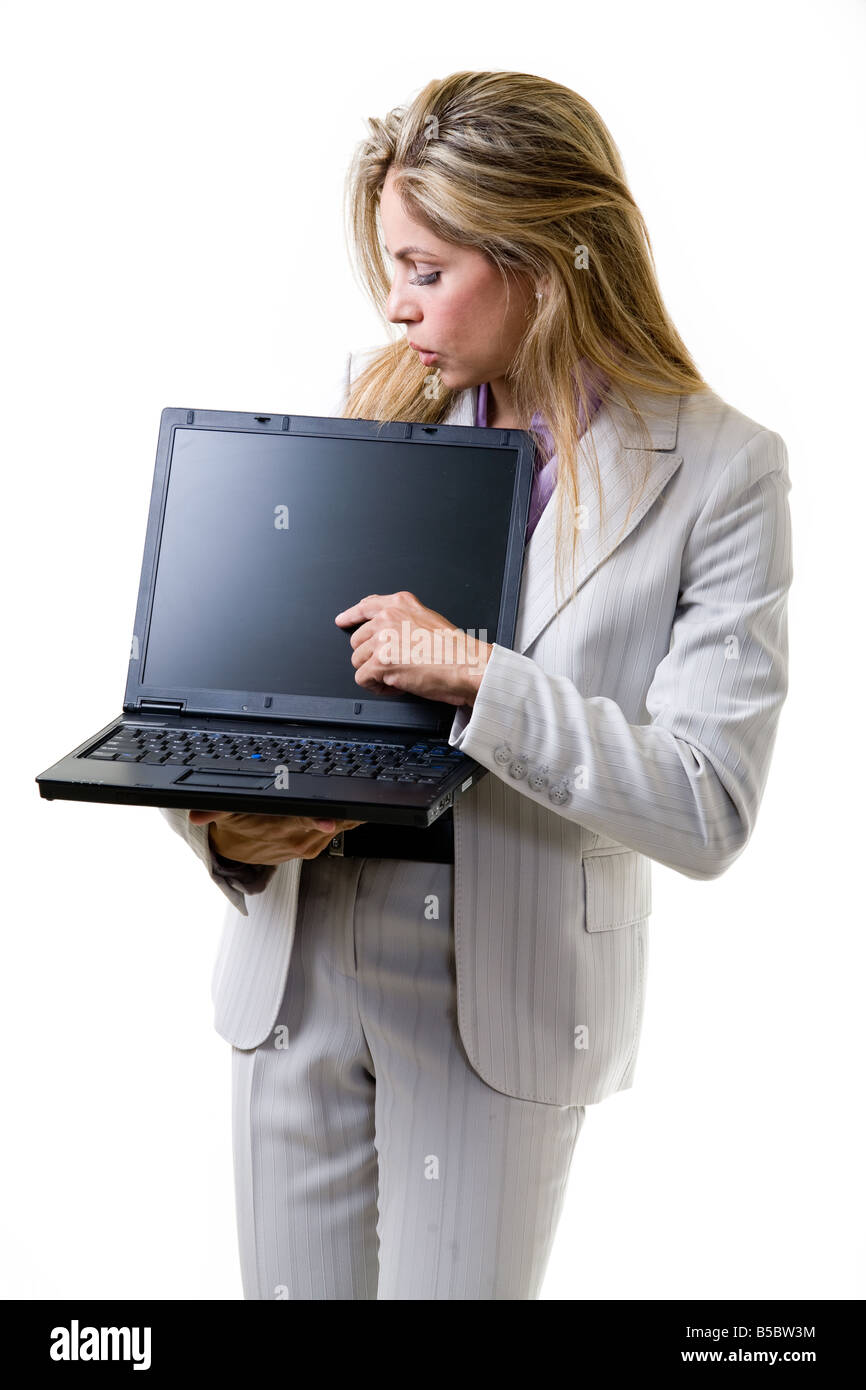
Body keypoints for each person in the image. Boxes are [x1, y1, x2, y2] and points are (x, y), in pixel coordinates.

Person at [160, 70, 793, 1300]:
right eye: (391, 268)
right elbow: (292, 690)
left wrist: (478, 676)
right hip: (300, 960)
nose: (394, 308)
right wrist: (229, 827)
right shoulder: (380, 399)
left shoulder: (721, 472)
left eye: (425, 269)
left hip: (496, 992)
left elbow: (708, 803)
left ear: (547, 257)